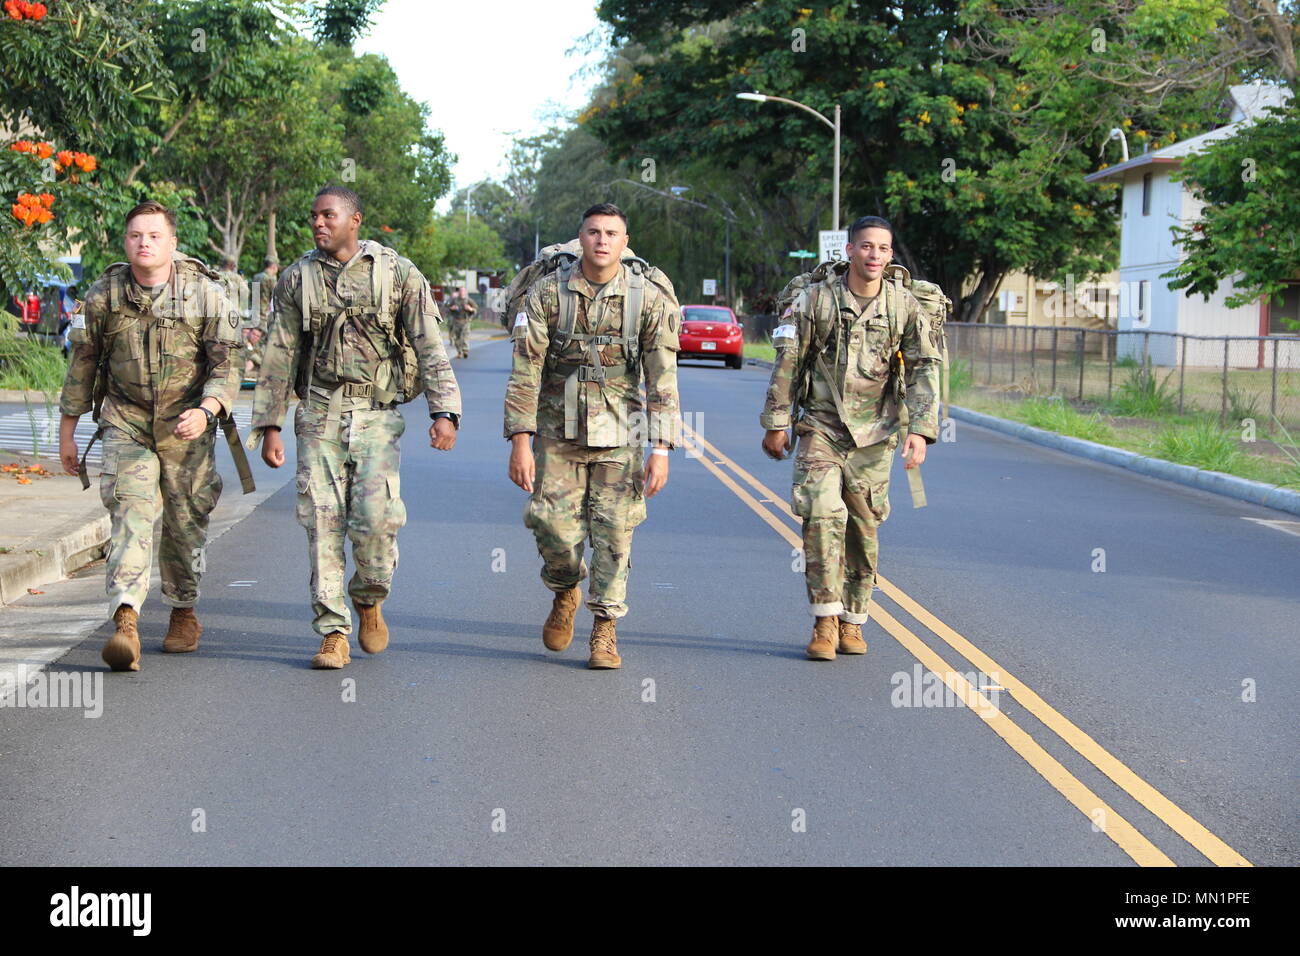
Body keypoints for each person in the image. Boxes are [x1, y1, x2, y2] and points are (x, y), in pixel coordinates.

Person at [247, 185, 461, 669]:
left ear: (355, 220)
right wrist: (270, 424)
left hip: (377, 417)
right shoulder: (297, 279)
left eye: (329, 215)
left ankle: (369, 596)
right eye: (313, 216)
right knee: (321, 522)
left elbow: (429, 344)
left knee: (376, 524)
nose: (319, 224)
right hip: (318, 413)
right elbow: (278, 354)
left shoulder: (398, 274)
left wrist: (444, 411)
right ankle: (332, 631)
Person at [57, 200, 243, 671]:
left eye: (155, 236)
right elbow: (81, 366)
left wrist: (207, 410)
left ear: (172, 243)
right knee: (131, 512)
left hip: (188, 424)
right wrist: (67, 434)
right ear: (126, 242)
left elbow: (228, 366)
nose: (145, 243)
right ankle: (126, 619)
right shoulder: (103, 296)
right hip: (126, 421)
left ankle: (183, 612)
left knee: (185, 523)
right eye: (137, 235)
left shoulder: (205, 295)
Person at [505, 202, 681, 670]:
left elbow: (662, 377)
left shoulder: (647, 298)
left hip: (621, 434)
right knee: (551, 528)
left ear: (625, 242)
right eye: (593, 232)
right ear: (579, 238)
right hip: (555, 431)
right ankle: (565, 588)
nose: (602, 240)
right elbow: (526, 371)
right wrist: (520, 441)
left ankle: (605, 629)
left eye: (611, 233)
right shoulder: (546, 294)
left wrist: (661, 448)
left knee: (615, 534)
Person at [760, 215, 940, 661]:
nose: (873, 255)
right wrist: (776, 421)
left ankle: (853, 620)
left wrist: (920, 429)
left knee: (864, 529)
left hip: (876, 435)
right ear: (850, 251)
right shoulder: (817, 300)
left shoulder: (902, 307)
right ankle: (824, 619)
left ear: (890, 255)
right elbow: (789, 361)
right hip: (821, 428)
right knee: (821, 517)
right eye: (865, 246)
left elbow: (923, 368)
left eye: (881, 248)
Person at [444, 286, 476, 359]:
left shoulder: (469, 300)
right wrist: (452, 308)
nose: (462, 292)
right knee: (457, 338)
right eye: (460, 291)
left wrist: (470, 309)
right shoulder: (454, 300)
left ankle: (465, 350)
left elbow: (475, 309)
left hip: (466, 321)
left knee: (465, 336)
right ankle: (459, 352)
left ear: (465, 292)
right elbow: (447, 305)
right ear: (459, 292)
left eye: (463, 291)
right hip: (456, 321)